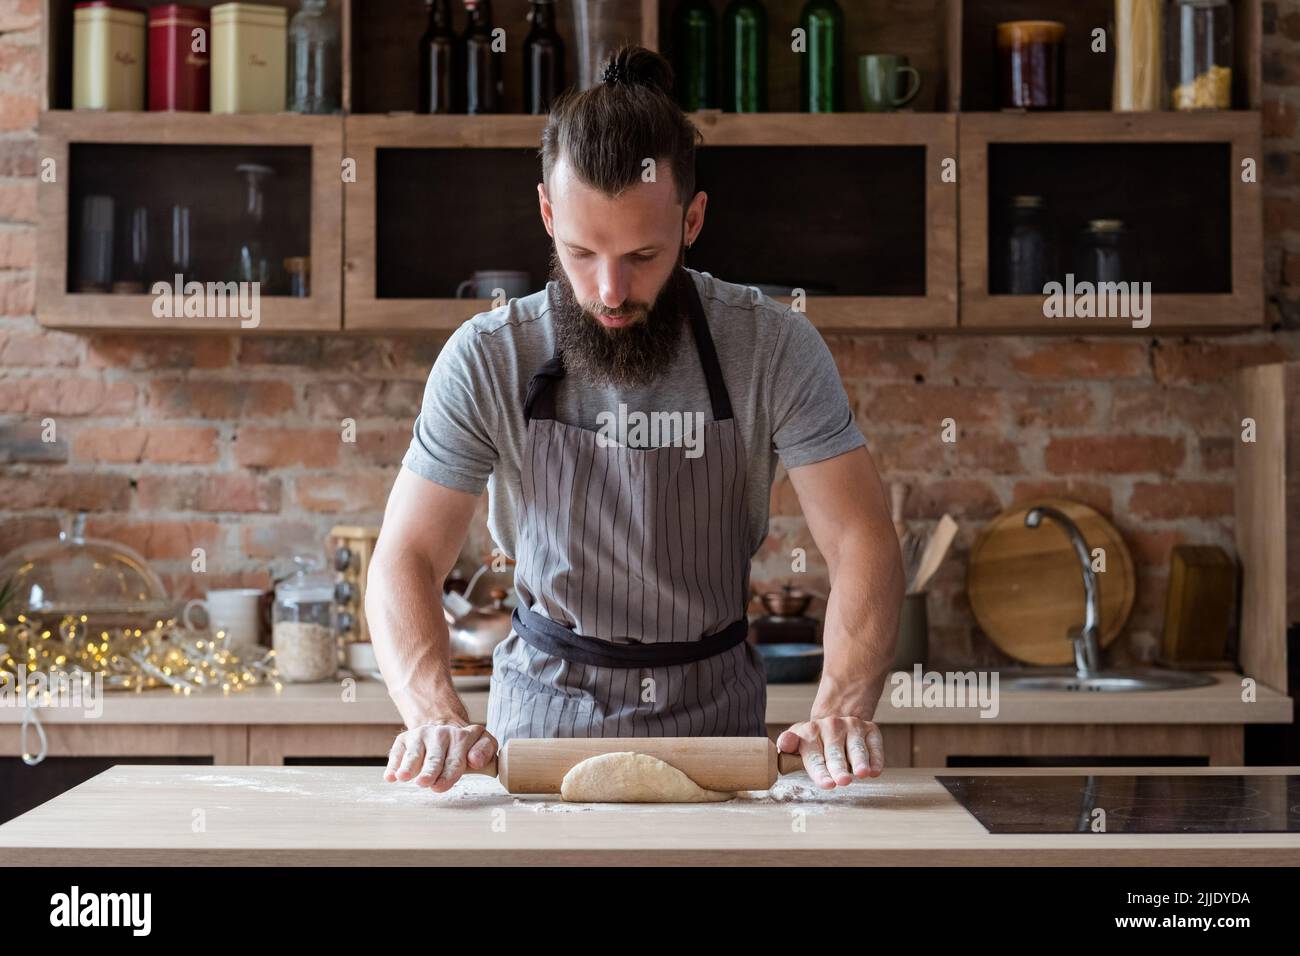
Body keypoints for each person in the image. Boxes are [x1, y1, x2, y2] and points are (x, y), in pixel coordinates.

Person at [368, 46, 904, 794]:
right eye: (582, 252)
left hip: (714, 731)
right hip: (538, 736)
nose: (611, 291)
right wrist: (432, 713)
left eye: (643, 255)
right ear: (547, 213)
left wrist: (842, 706)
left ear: (693, 219)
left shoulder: (774, 345)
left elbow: (862, 538)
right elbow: (405, 559)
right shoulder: (488, 357)